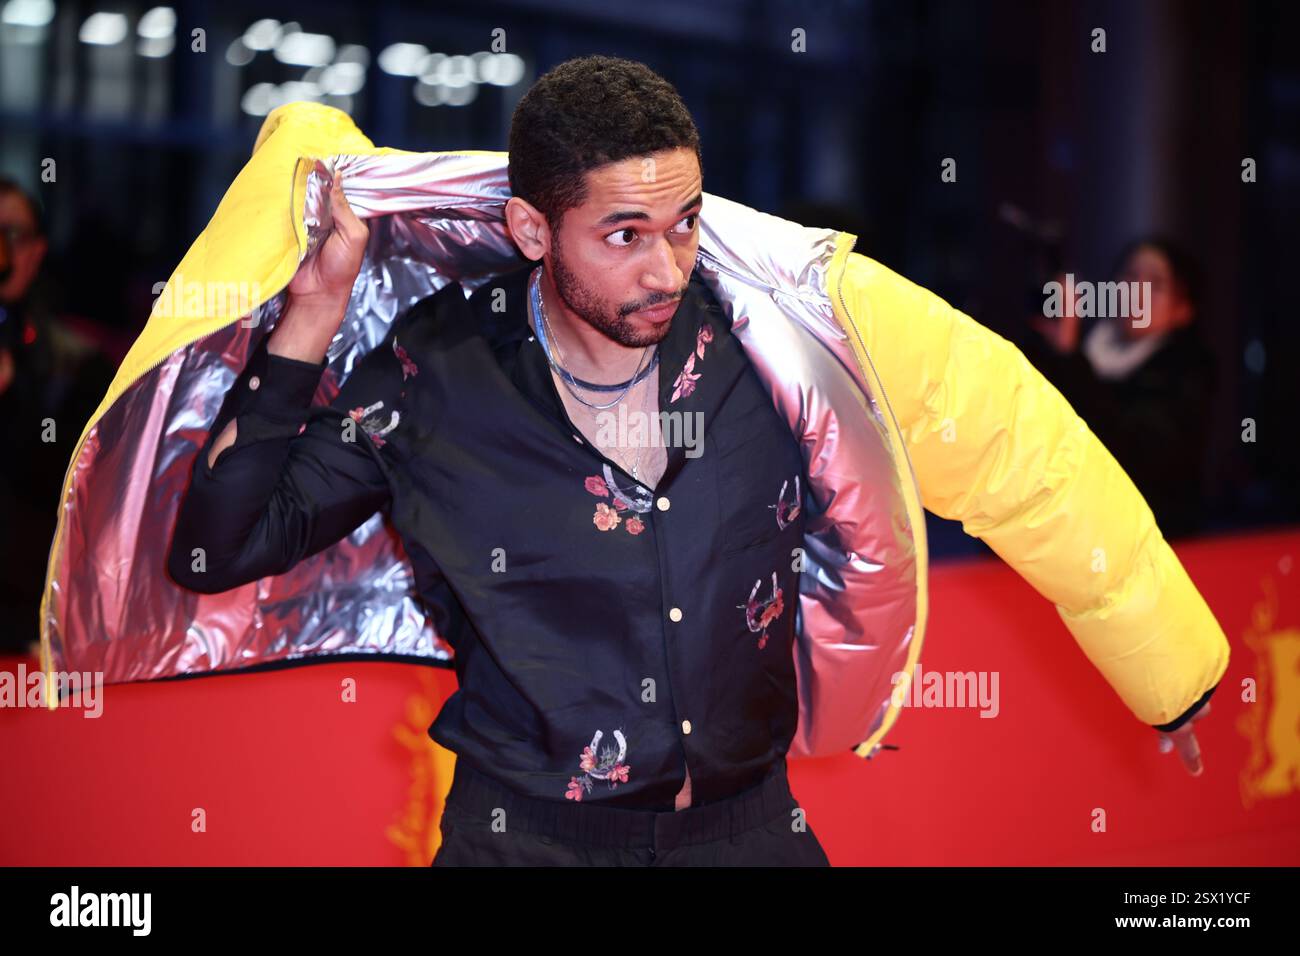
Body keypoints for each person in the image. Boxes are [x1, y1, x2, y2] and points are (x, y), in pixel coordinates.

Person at [153, 58, 1224, 867]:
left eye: (684, 221)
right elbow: (218, 544)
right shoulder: (437, 372)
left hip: (748, 828)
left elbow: (1012, 446)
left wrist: (1166, 667)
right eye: (623, 233)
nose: (666, 265)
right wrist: (310, 317)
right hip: (520, 836)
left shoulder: (784, 334)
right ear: (531, 227)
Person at [1017, 237, 1217, 539]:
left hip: (1155, 542)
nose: (1137, 290)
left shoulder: (1187, 370)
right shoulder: (1088, 346)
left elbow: (1130, 452)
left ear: (1183, 309)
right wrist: (1055, 351)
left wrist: (1071, 357)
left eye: (1156, 284)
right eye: (1130, 276)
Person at [0, 177, 116, 657]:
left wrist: (13, 397)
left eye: (11, 235)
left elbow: (83, 498)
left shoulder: (76, 363)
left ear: (36, 250)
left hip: (27, 632)